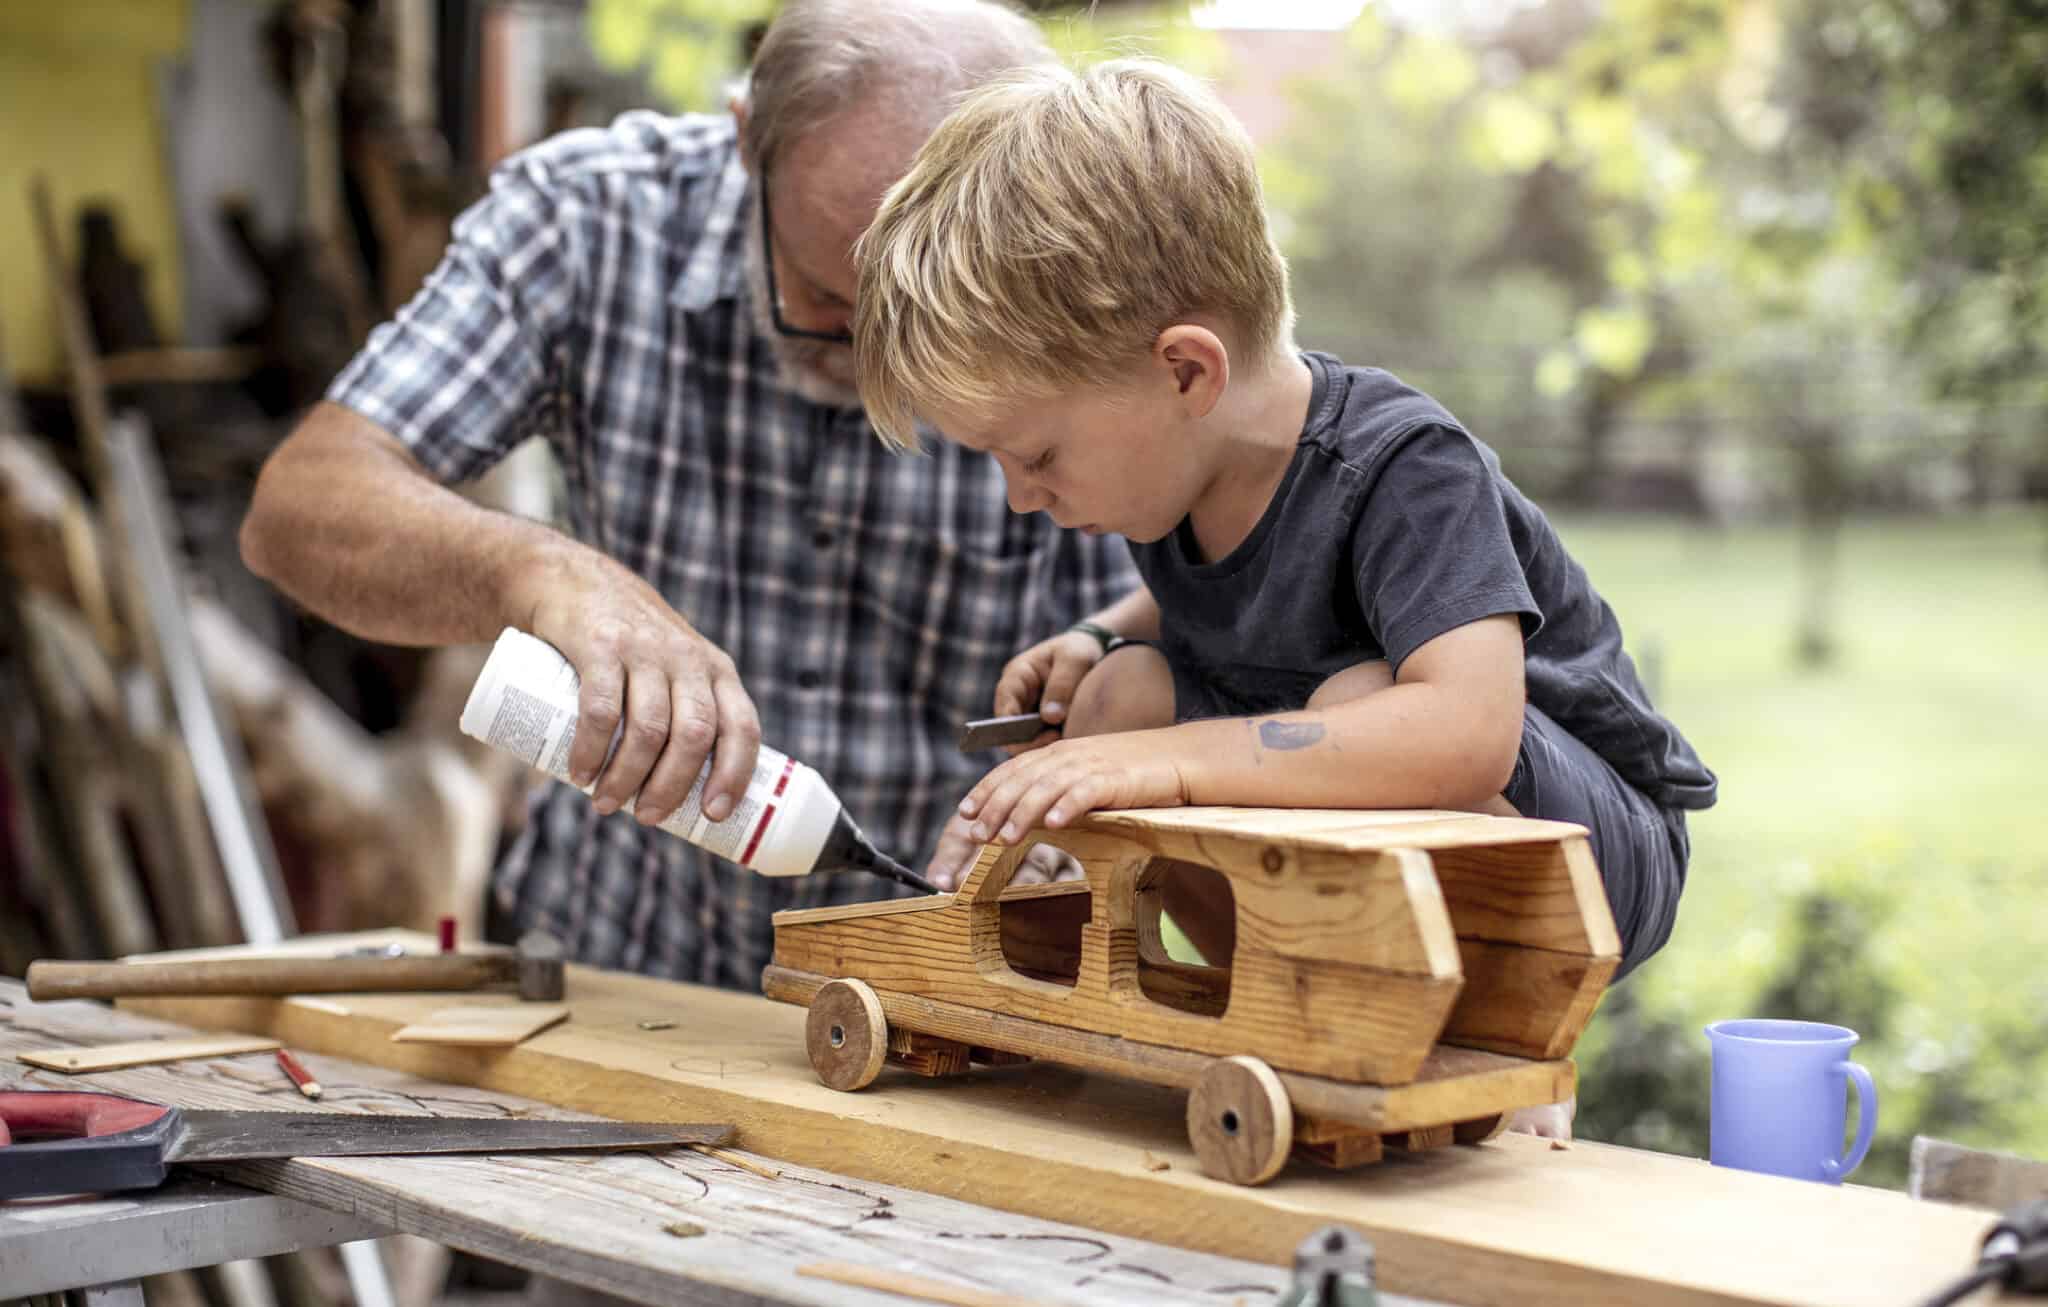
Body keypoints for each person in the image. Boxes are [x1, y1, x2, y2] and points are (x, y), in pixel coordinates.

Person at [238, 0, 1145, 989]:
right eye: (839, 308)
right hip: (616, 972)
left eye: (937, 317)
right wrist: (544, 573)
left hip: (946, 1001)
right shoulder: (590, 217)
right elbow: (300, 509)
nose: (891, 367)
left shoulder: (1078, 270)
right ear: (746, 138)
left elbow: (1180, 635)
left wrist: (1095, 803)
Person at [855, 57, 1718, 983]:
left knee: (1349, 701)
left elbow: (1469, 732)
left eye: (1038, 456)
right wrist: (1095, 635)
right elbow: (1258, 584)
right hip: (1410, 800)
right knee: (1115, 703)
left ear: (1186, 372)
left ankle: (1484, 1032)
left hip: (1588, 844)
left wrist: (1173, 762)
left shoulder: (1405, 467)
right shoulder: (1179, 473)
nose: (1022, 495)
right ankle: (1285, 998)